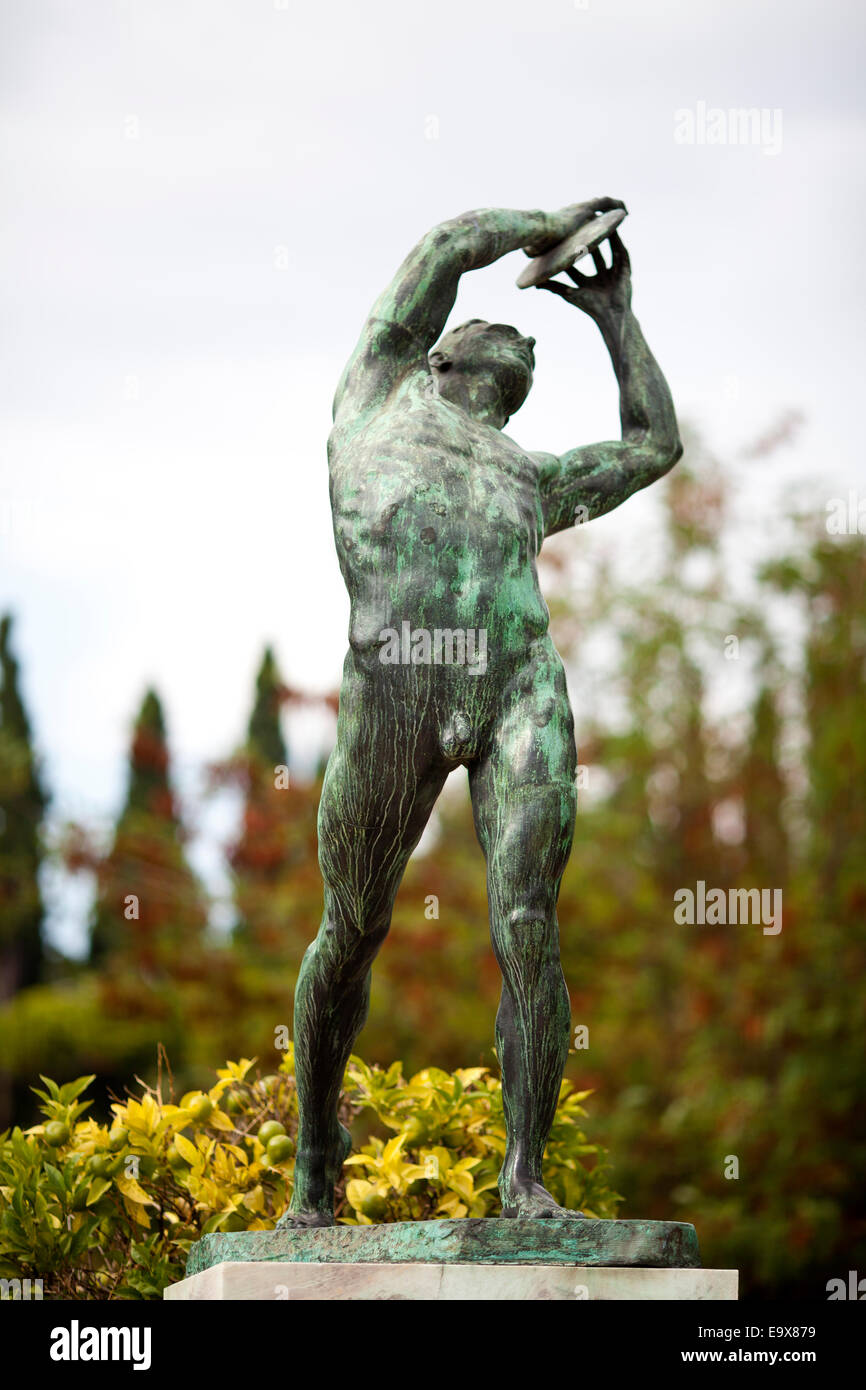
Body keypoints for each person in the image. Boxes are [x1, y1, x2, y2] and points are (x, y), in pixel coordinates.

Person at [283, 197, 681, 1226]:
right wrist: (544, 221)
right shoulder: (373, 399)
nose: (521, 338)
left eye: (530, 350)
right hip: (393, 686)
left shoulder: (530, 477)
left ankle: (524, 1181)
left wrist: (613, 316)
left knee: (526, 922)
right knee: (352, 926)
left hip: (515, 684)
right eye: (491, 332)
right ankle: (317, 1163)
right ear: (433, 359)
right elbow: (450, 248)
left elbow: (651, 445)